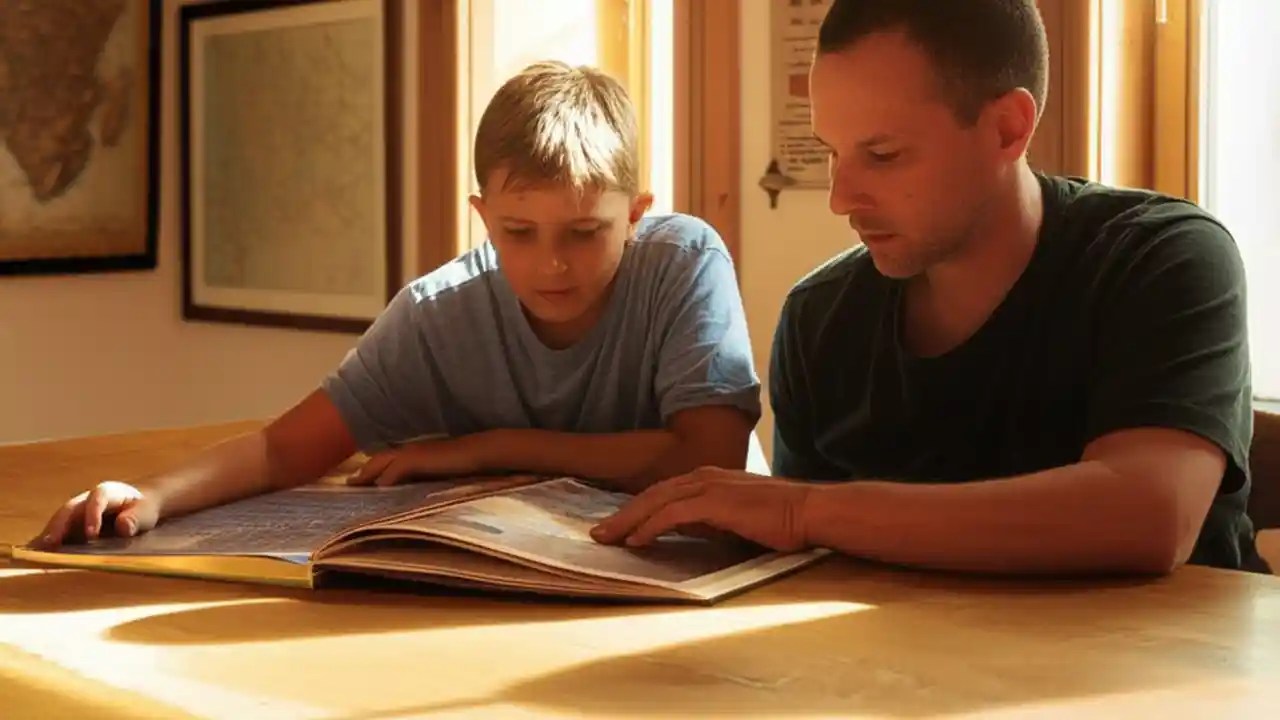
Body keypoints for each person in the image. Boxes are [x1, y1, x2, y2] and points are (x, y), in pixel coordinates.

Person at [593, 0, 1267, 575]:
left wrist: (801, 508)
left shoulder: (1161, 258)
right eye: (832, 151)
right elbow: (815, 579)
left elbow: (1150, 517)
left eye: (882, 156)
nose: (840, 198)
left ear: (1008, 128)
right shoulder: (820, 321)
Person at [35, 61, 761, 547]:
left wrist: (490, 447)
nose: (553, 262)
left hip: (713, 572)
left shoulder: (683, 260)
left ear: (636, 214)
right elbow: (283, 448)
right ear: (482, 217)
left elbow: (709, 455)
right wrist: (152, 495)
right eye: (519, 232)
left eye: (585, 231)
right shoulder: (439, 311)